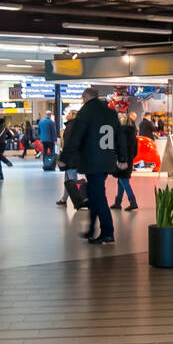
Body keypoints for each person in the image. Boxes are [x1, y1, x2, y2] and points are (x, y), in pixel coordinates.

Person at [60, 88, 123, 244]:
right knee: (94, 194)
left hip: (92, 161)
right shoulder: (110, 112)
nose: (82, 99)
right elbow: (120, 136)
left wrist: (64, 157)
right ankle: (91, 229)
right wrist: (123, 158)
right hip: (107, 160)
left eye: (82, 96)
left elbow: (76, 137)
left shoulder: (86, 112)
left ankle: (108, 232)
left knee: (99, 196)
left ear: (86, 96)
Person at [112, 113, 140, 212]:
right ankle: (118, 203)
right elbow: (135, 151)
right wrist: (130, 157)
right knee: (121, 180)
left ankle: (133, 202)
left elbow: (119, 147)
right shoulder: (133, 135)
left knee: (123, 181)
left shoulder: (121, 133)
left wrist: (120, 158)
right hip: (129, 159)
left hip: (122, 160)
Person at [55, 108, 79, 207]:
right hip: (75, 157)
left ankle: (79, 200)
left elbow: (68, 144)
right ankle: (64, 199)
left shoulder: (70, 127)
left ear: (73, 116)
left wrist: (63, 158)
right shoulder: (76, 126)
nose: (67, 115)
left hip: (70, 158)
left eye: (69, 113)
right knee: (68, 180)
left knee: (71, 180)